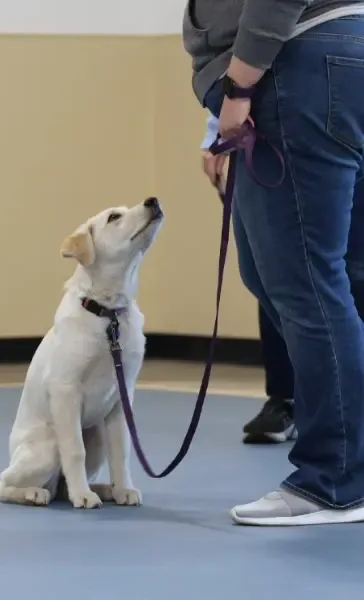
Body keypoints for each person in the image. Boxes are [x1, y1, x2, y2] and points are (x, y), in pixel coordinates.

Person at [184, 0, 364, 526]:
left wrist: (237, 92)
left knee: (306, 282)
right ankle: (346, 466)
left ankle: (334, 478)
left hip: (294, 66)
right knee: (332, 280)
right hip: (334, 60)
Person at [200, 115, 296, 445]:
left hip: (335, 124)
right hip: (273, 138)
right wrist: (216, 133)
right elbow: (236, 67)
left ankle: (340, 408)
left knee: (342, 274)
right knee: (269, 274)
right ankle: (285, 398)